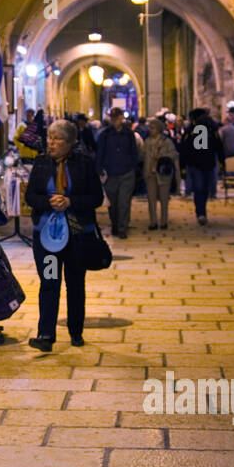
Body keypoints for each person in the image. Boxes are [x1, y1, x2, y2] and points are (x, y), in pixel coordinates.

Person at [25, 119, 104, 351]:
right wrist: (49, 202)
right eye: (50, 138)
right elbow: (31, 196)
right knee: (49, 282)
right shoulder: (41, 164)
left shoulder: (84, 165)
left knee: (75, 283)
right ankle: (45, 334)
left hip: (77, 237)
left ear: (70, 143)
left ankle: (75, 331)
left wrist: (70, 202)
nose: (51, 143)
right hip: (48, 240)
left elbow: (96, 198)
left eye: (57, 139)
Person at [95, 108, 143, 238]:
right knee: (113, 203)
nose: (116, 121)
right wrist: (99, 170)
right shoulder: (105, 135)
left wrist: (133, 166)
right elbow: (100, 153)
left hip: (126, 173)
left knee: (124, 202)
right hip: (110, 174)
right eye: (113, 118)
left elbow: (134, 152)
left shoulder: (128, 134)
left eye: (118, 117)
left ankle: (123, 228)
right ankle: (115, 224)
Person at [180, 108, 226, 226]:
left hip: (195, 163)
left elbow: (185, 147)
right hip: (208, 162)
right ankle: (202, 211)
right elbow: (218, 145)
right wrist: (221, 161)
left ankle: (200, 212)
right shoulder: (211, 127)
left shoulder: (191, 129)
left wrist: (183, 165)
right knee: (204, 188)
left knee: (199, 188)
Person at [142, 114, 179, 230]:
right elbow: (142, 155)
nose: (150, 130)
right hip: (150, 173)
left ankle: (164, 221)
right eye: (150, 128)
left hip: (162, 173)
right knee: (151, 199)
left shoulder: (166, 141)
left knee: (164, 198)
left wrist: (162, 156)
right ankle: (153, 221)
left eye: (152, 128)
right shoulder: (147, 142)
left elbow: (174, 154)